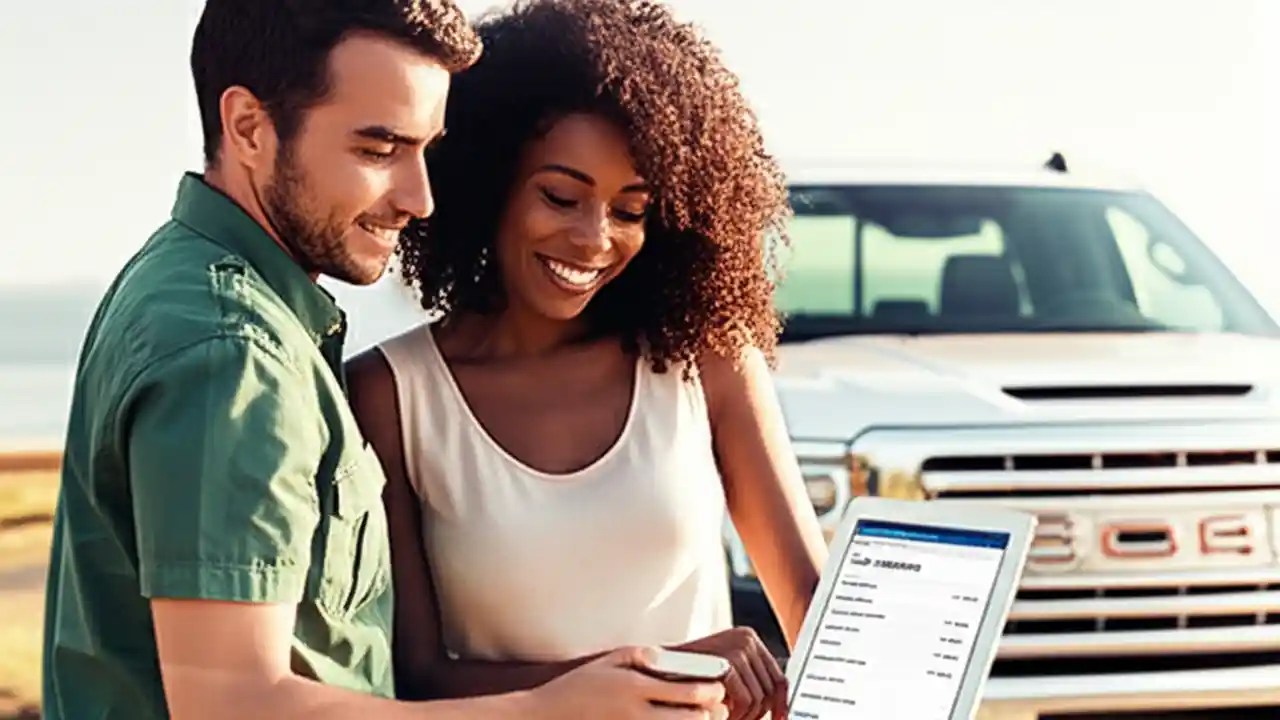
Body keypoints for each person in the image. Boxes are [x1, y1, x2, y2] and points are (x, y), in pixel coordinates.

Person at [39, 1, 728, 719]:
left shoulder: (196, 288)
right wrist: (549, 711)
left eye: (425, 150)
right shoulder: (233, 353)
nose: (420, 198)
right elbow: (231, 705)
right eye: (378, 150)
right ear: (248, 127)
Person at [345, 1, 829, 719]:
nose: (593, 238)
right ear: (488, 184)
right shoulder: (390, 393)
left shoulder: (705, 361)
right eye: (561, 196)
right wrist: (656, 674)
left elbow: (813, 608)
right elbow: (413, 673)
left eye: (630, 210)